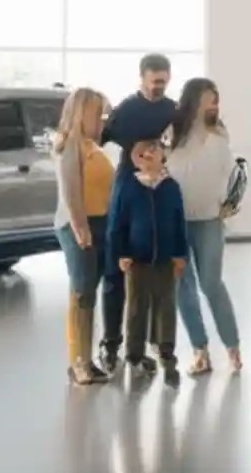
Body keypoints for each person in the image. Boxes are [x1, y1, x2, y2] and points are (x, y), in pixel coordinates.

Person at [98, 53, 178, 374]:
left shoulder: (173, 111)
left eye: (164, 80)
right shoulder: (127, 110)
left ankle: (141, 348)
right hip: (126, 193)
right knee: (116, 270)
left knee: (148, 276)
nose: (159, 86)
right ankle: (110, 344)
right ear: (142, 78)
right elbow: (97, 137)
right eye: (154, 80)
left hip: (156, 195)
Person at [165, 78, 243, 375]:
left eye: (217, 99)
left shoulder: (219, 132)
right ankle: (200, 351)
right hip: (176, 220)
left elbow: (234, 172)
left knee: (211, 283)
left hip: (210, 219)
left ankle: (232, 346)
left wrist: (230, 205)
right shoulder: (174, 132)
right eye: (211, 98)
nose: (215, 104)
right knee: (183, 288)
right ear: (195, 100)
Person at [109, 139, 188, 388]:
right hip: (137, 260)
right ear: (137, 159)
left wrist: (180, 253)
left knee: (166, 304)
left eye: (155, 150)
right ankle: (134, 354)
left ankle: (166, 350)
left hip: (165, 259)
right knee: (136, 307)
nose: (150, 154)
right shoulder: (129, 187)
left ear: (163, 155)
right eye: (144, 153)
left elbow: (179, 222)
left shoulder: (171, 187)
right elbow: (117, 223)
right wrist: (121, 253)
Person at [52, 87, 114, 386]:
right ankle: (77, 362)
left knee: (89, 293)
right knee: (80, 292)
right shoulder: (71, 146)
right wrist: (80, 227)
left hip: (101, 223)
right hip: (79, 225)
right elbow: (71, 190)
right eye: (97, 114)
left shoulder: (94, 146)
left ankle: (87, 360)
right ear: (81, 114)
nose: (101, 120)